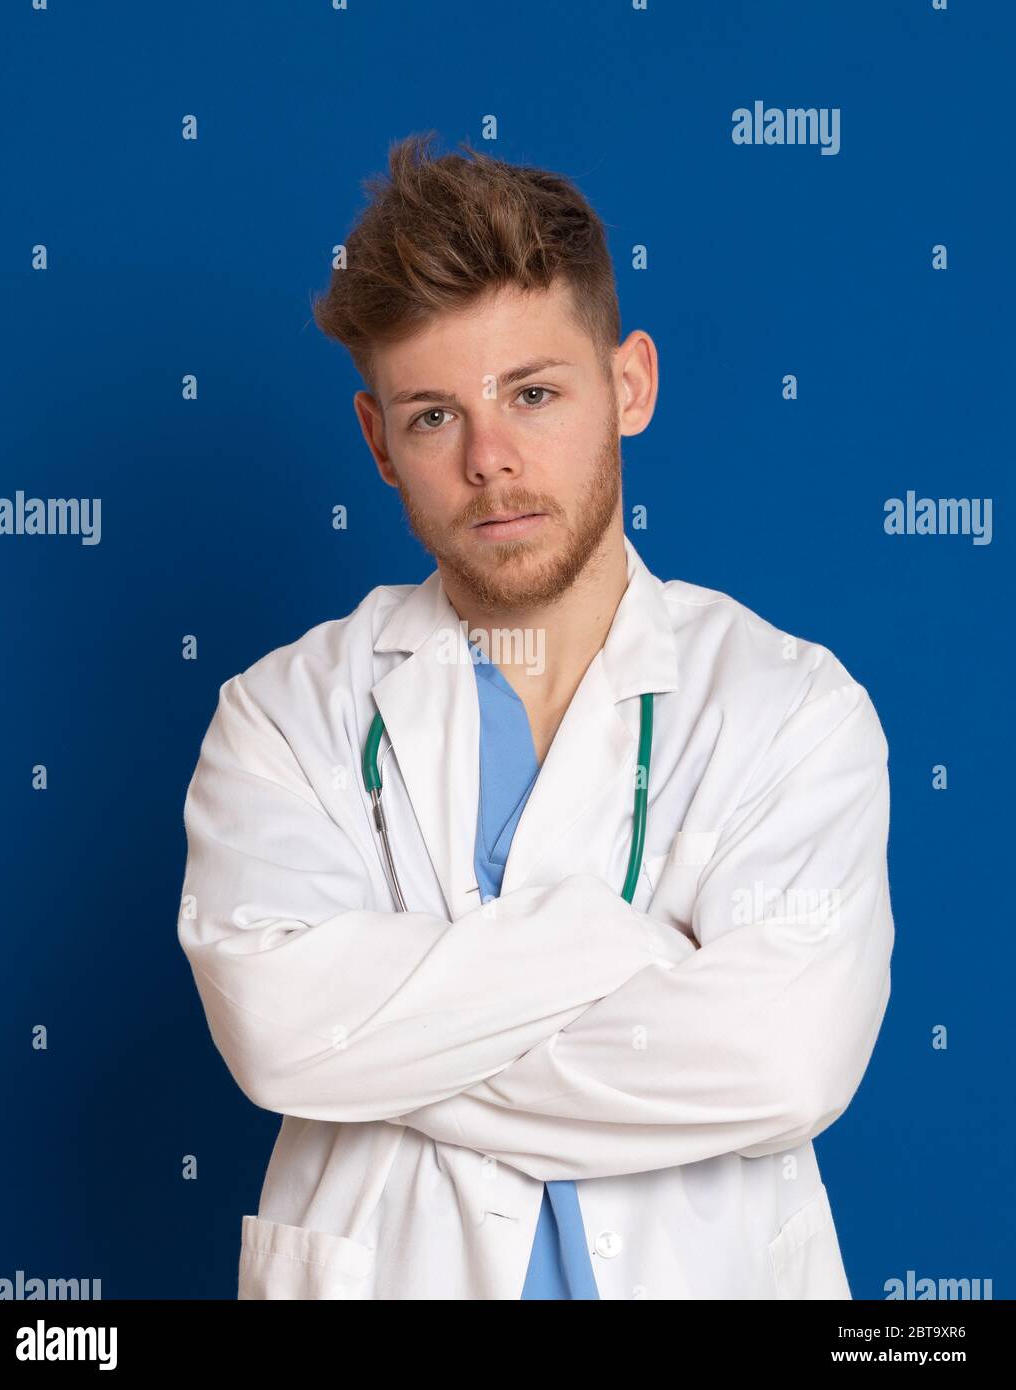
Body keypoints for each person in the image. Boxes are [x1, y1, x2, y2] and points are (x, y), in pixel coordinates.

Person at [177, 132, 894, 1301]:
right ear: (377, 442)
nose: (491, 461)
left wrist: (388, 1047)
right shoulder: (285, 715)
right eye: (432, 417)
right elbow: (276, 1031)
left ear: (631, 385)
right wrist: (626, 950)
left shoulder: (792, 707)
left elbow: (781, 1060)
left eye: (534, 393)